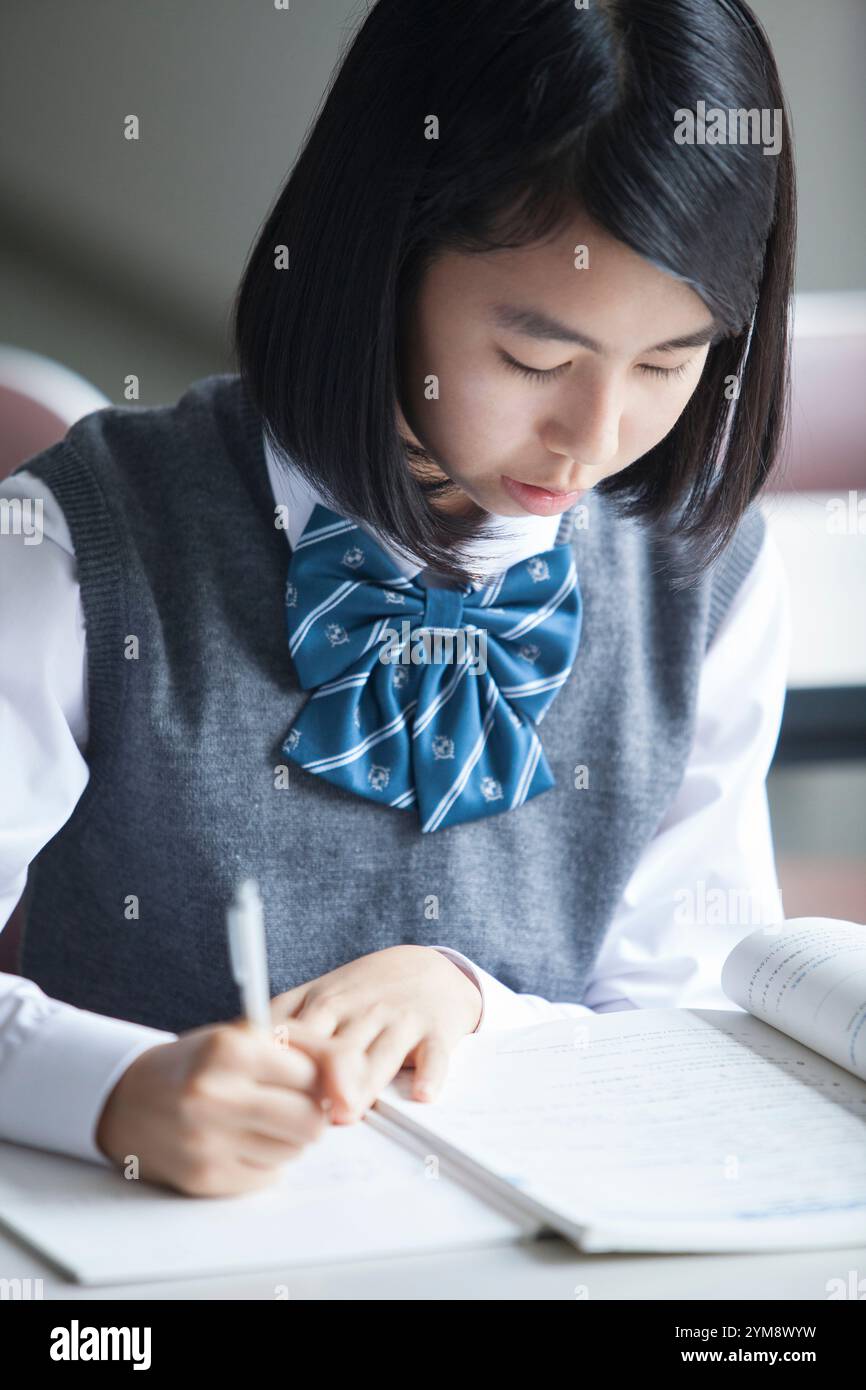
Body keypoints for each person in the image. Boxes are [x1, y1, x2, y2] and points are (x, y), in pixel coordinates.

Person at [0, 0, 795, 1197]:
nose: (592, 438)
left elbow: (687, 1016)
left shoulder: (704, 578)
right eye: (533, 360)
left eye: (668, 363)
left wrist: (478, 1006)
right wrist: (106, 1087)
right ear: (377, 264)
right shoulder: (74, 548)